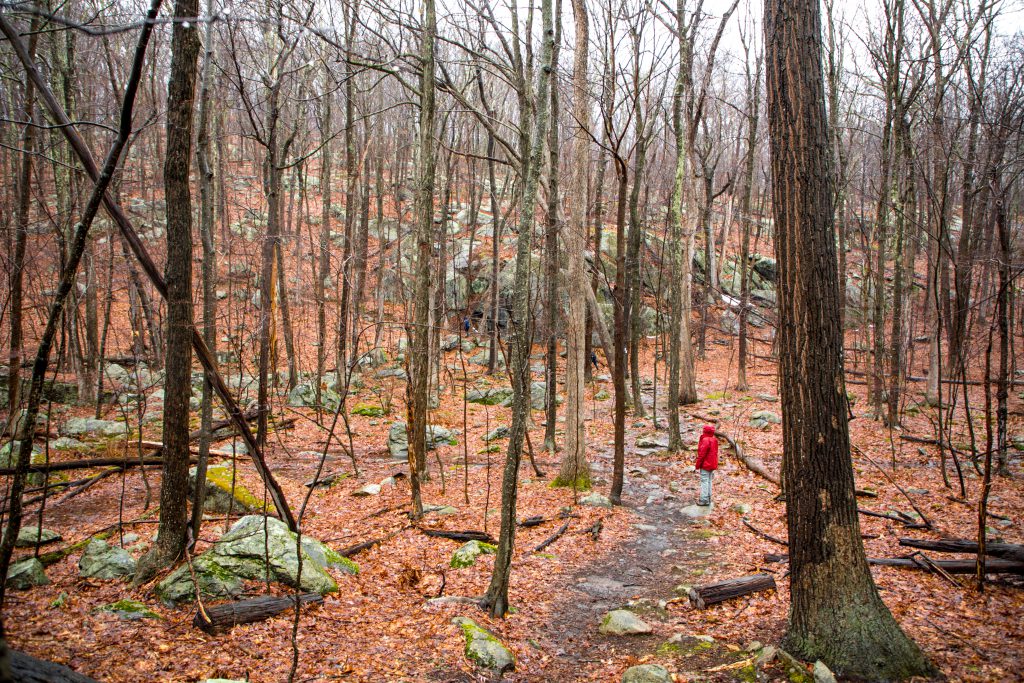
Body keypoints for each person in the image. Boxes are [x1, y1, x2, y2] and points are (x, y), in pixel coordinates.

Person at [695, 424, 719, 506]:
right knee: (709, 481)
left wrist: (697, 465)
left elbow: (702, 454)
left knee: (704, 481)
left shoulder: (705, 440)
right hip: (712, 463)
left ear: (705, 431)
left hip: (706, 464)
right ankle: (708, 498)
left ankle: (704, 500)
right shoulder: (714, 440)